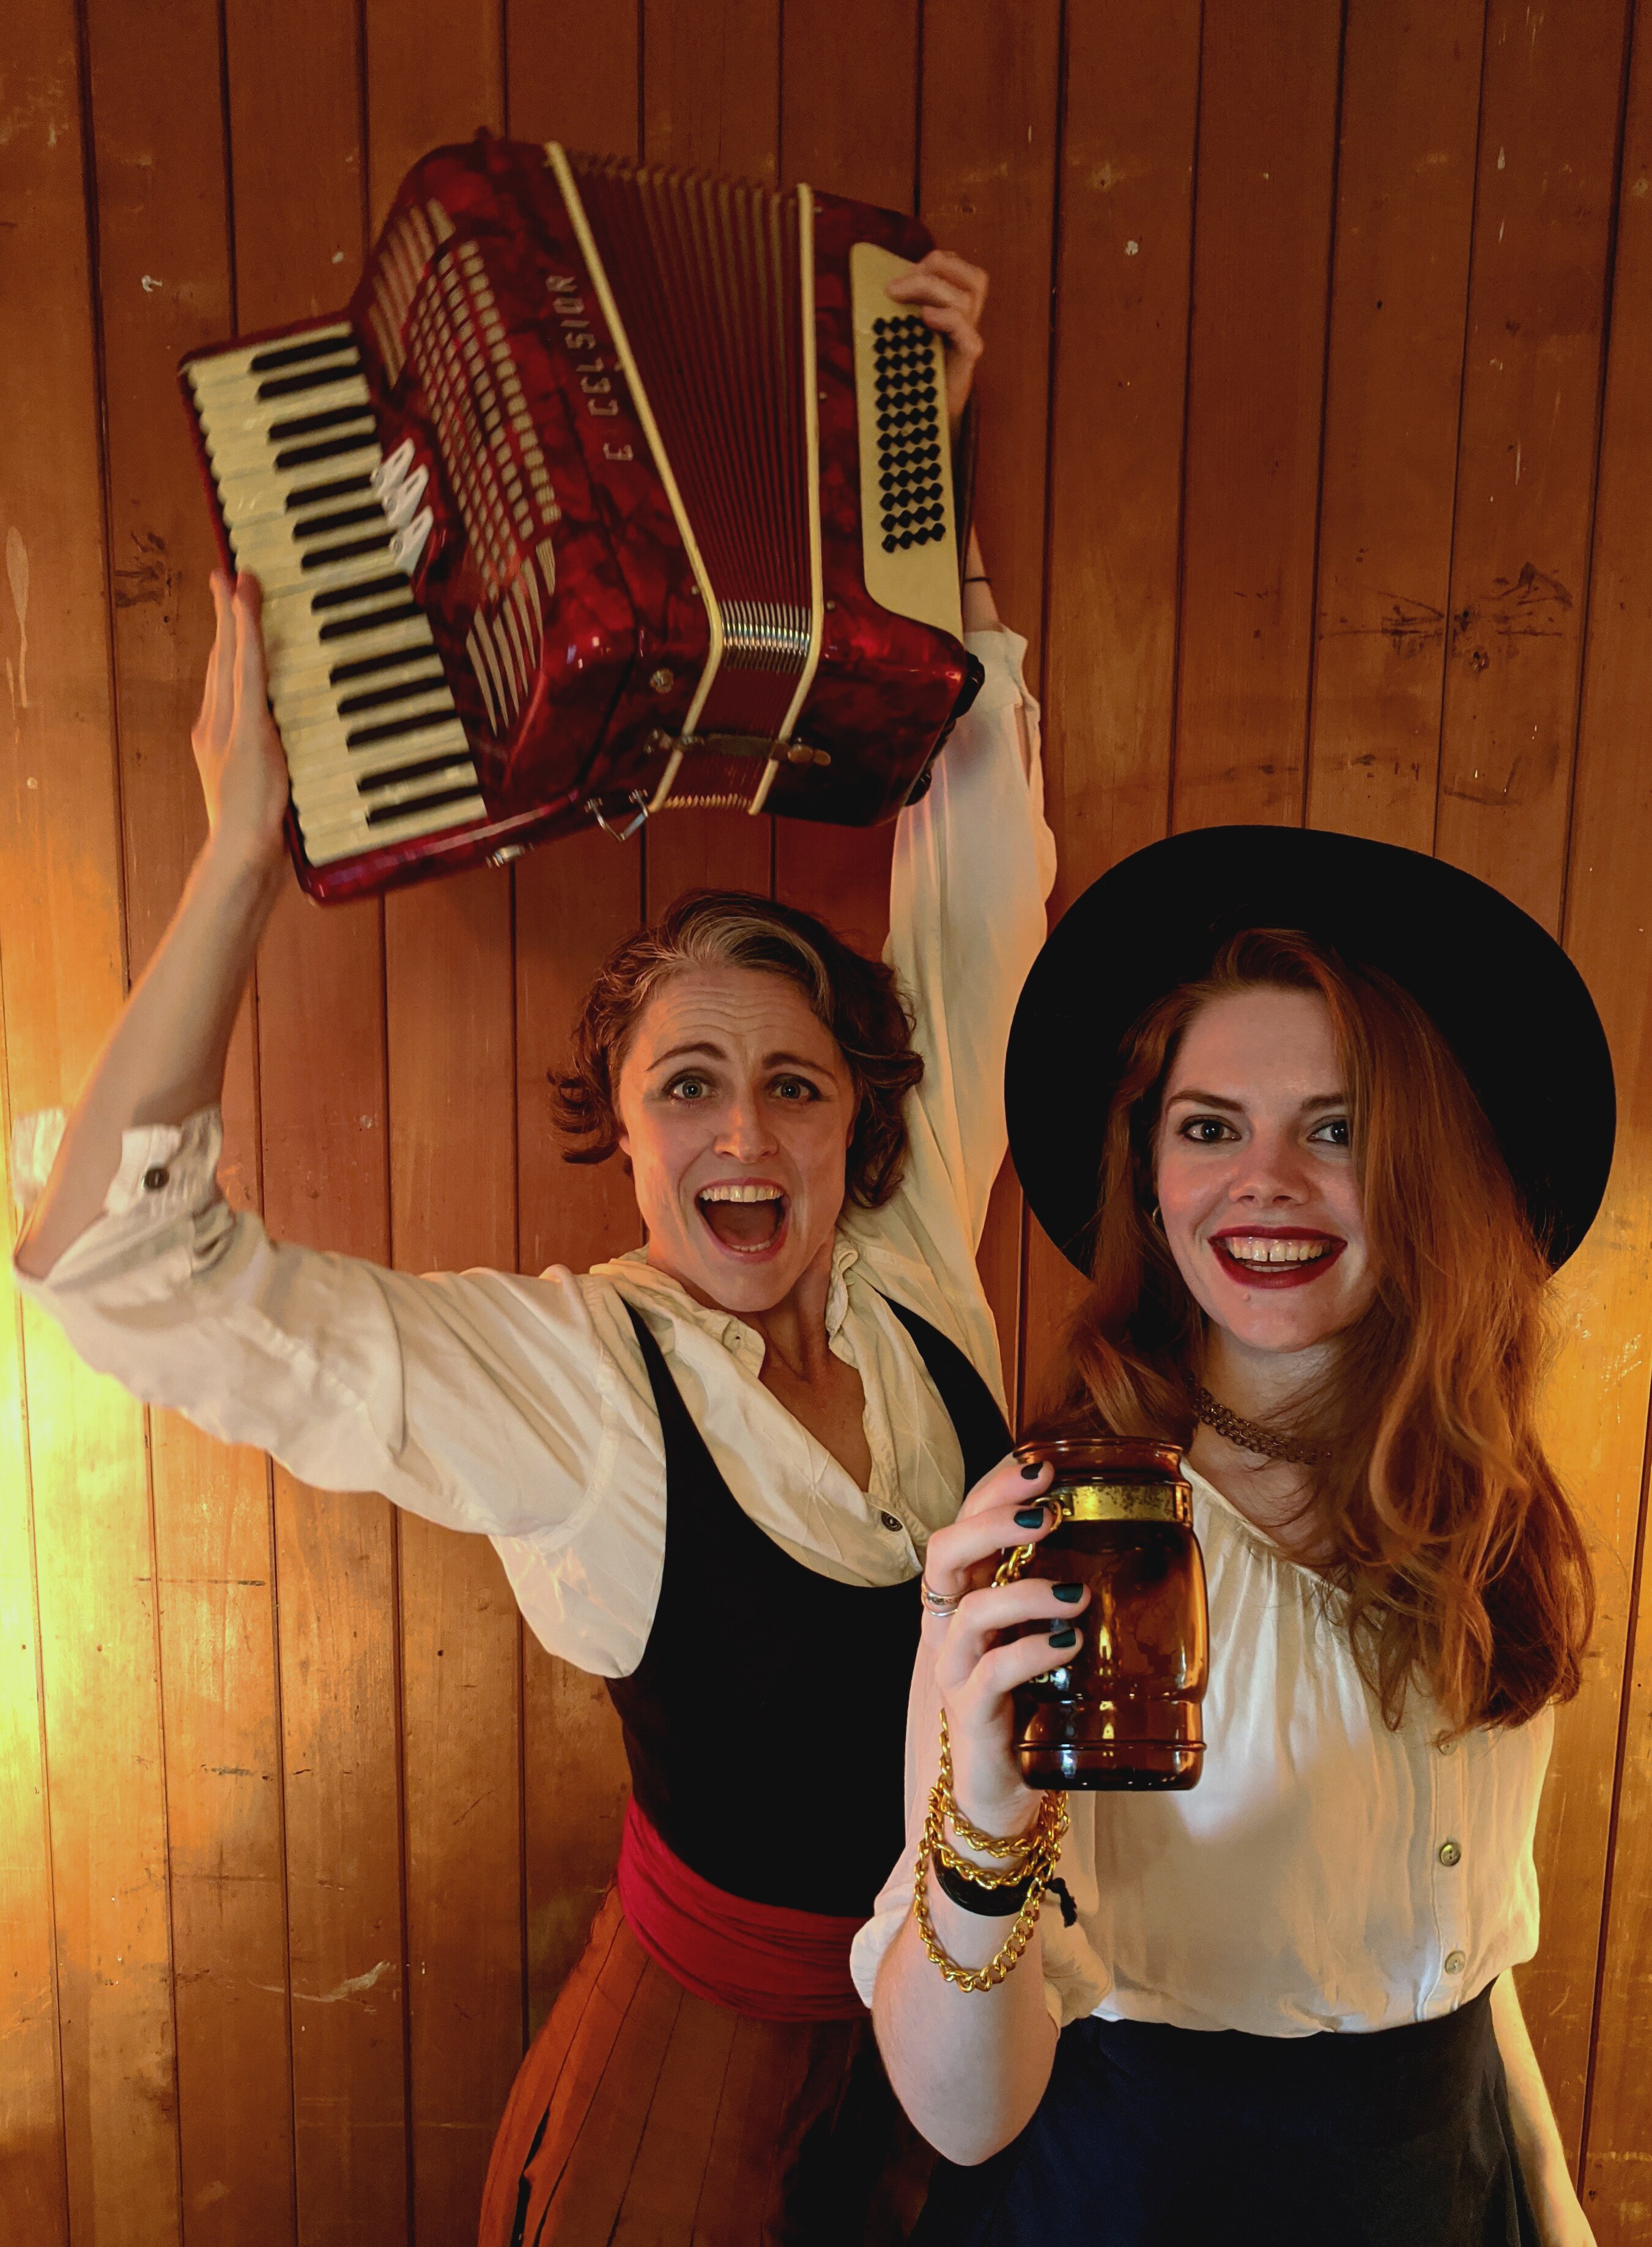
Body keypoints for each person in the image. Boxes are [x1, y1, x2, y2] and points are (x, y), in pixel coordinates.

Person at [12, 254, 1056, 2244]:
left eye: (795, 1085)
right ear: (625, 1132)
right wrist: (245, 849)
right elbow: (122, 1268)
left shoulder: (919, 1269)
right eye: (686, 1087)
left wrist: (914, 445)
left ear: (865, 1121)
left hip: (975, 2013)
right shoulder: (578, 1384)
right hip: (702, 2072)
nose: (744, 1130)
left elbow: (986, 865)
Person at [853, 826, 1613, 2247]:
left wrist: (1557, 2218)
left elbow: (1464, 1973)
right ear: (1148, 1173)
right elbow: (962, 2115)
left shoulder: (1482, 1509)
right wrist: (990, 1820)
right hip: (1152, 2200)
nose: (1264, 1178)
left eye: (1335, 1128)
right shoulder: (1057, 1535)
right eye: (1210, 1125)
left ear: (1425, 1171)